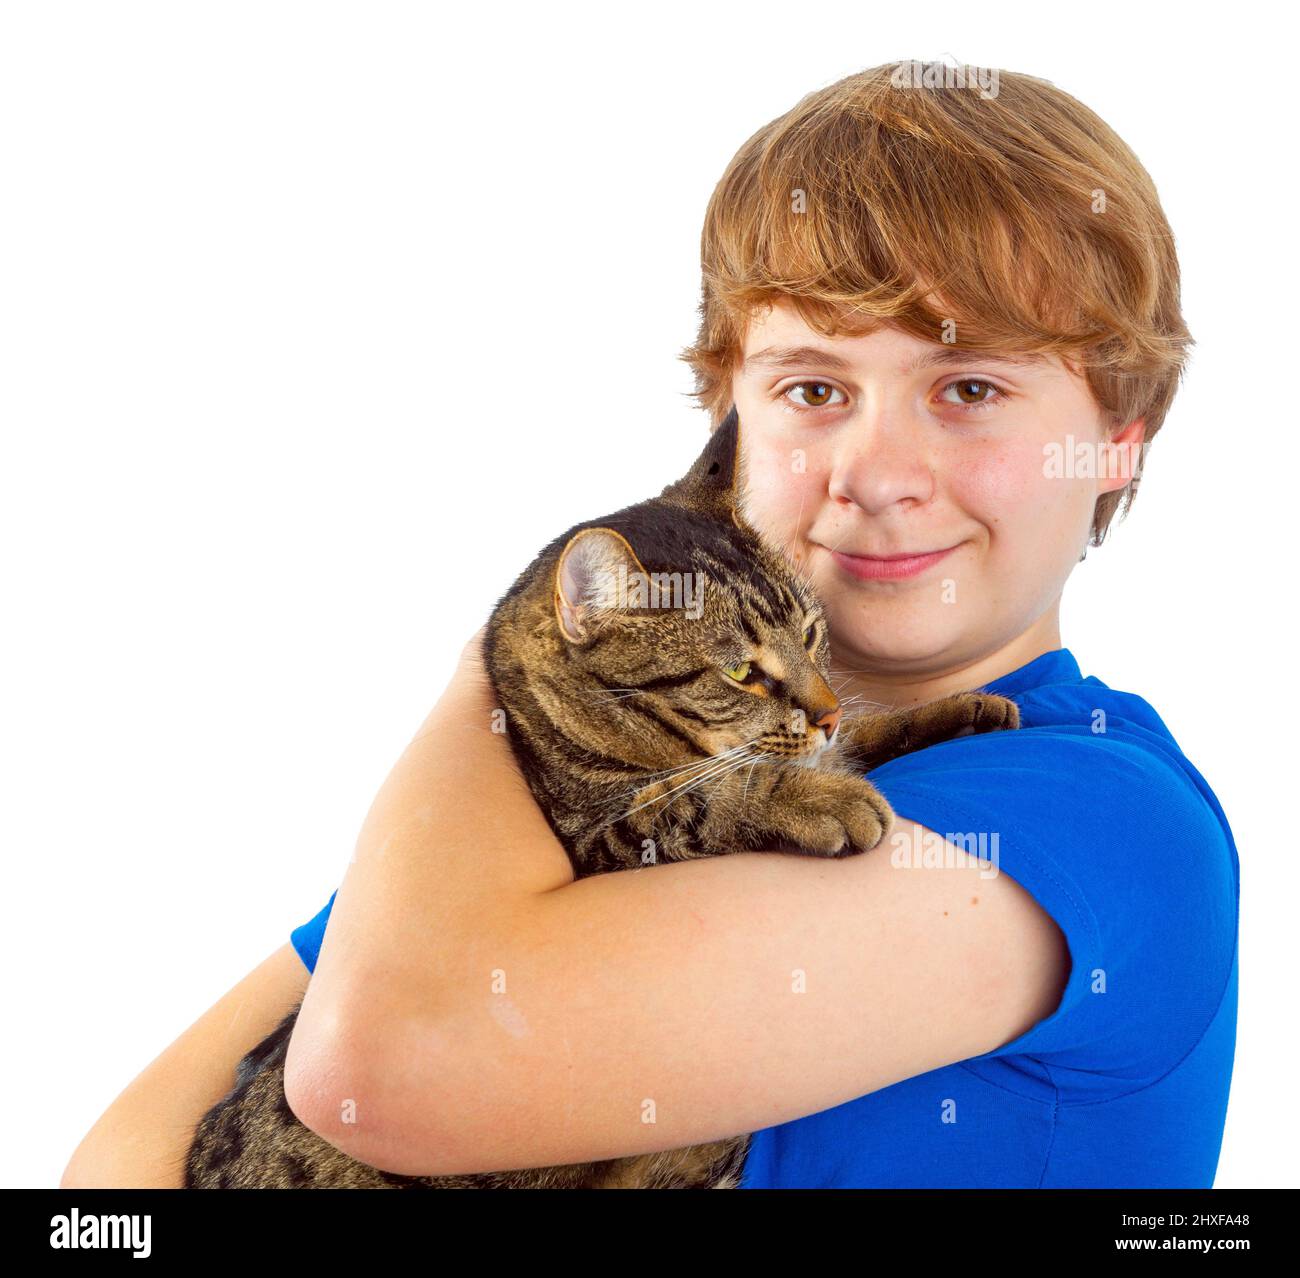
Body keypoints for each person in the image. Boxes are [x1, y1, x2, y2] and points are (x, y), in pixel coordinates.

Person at [63, 62, 1238, 1190]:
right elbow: (115, 1174)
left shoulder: (1097, 818)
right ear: (728, 418)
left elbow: (386, 1066)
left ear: (1117, 440)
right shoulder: (611, 770)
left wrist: (514, 658)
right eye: (812, 389)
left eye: (969, 388)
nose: (876, 475)